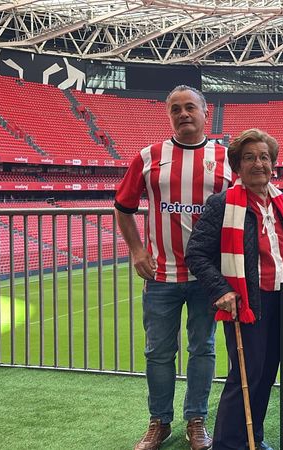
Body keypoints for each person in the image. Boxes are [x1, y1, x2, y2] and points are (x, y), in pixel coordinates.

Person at [185, 128, 283, 450]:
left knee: (266, 374)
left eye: (264, 157)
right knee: (246, 378)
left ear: (273, 163)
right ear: (238, 166)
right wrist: (220, 290)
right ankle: (228, 444)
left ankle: (252, 439)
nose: (258, 163)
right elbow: (196, 253)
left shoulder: (279, 200)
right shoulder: (223, 204)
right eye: (249, 158)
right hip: (247, 302)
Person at [115, 85, 231, 450]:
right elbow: (122, 205)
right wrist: (136, 251)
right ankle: (159, 422)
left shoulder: (227, 158)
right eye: (176, 109)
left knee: (203, 348)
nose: (183, 114)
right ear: (169, 116)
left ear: (205, 113)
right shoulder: (149, 156)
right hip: (161, 275)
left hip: (207, 278)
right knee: (158, 352)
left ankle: (196, 419)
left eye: (190, 108)